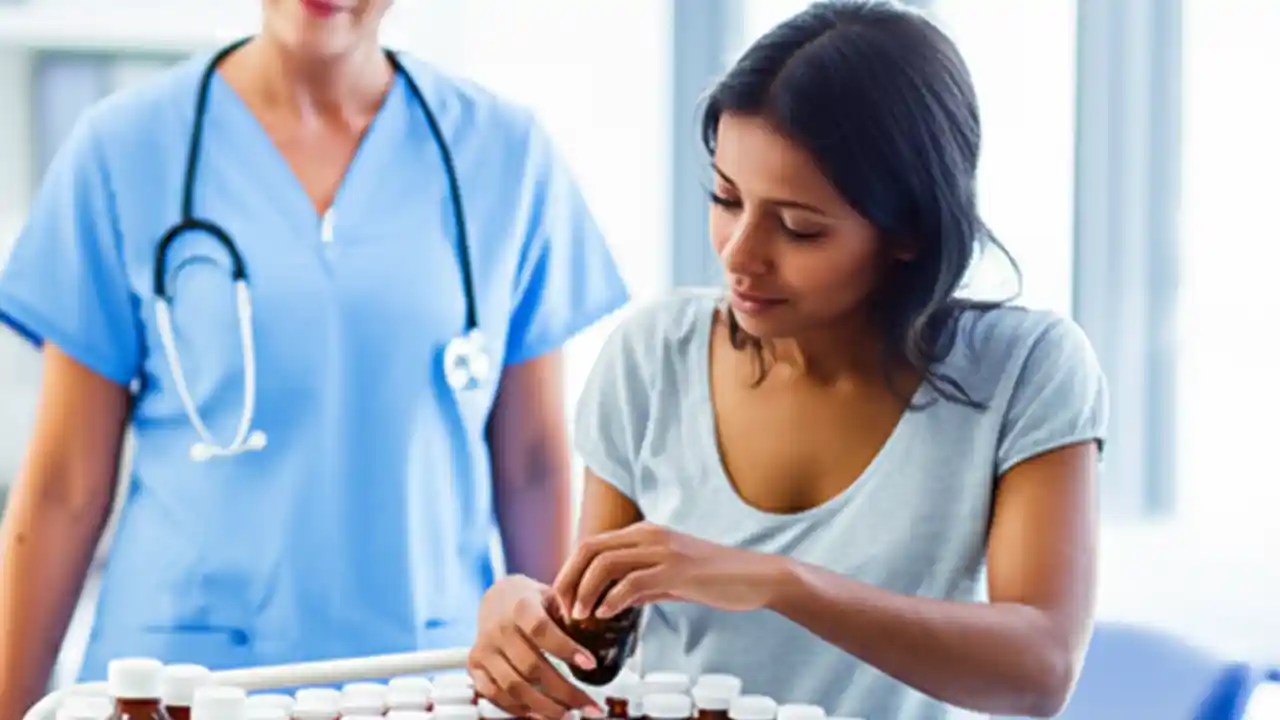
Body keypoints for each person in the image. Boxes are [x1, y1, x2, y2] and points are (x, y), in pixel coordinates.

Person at [469, 2, 1108, 719]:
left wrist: (779, 583)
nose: (739, 256)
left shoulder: (1026, 372)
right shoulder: (654, 356)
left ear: (908, 232)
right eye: (726, 199)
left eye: (798, 229)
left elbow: (1039, 670)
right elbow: (594, 643)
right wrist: (519, 611)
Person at [0, 0, 627, 714]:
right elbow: (63, 488)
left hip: (427, 676)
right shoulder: (124, 149)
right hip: (181, 682)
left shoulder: (503, 155)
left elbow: (532, 466)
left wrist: (559, 678)